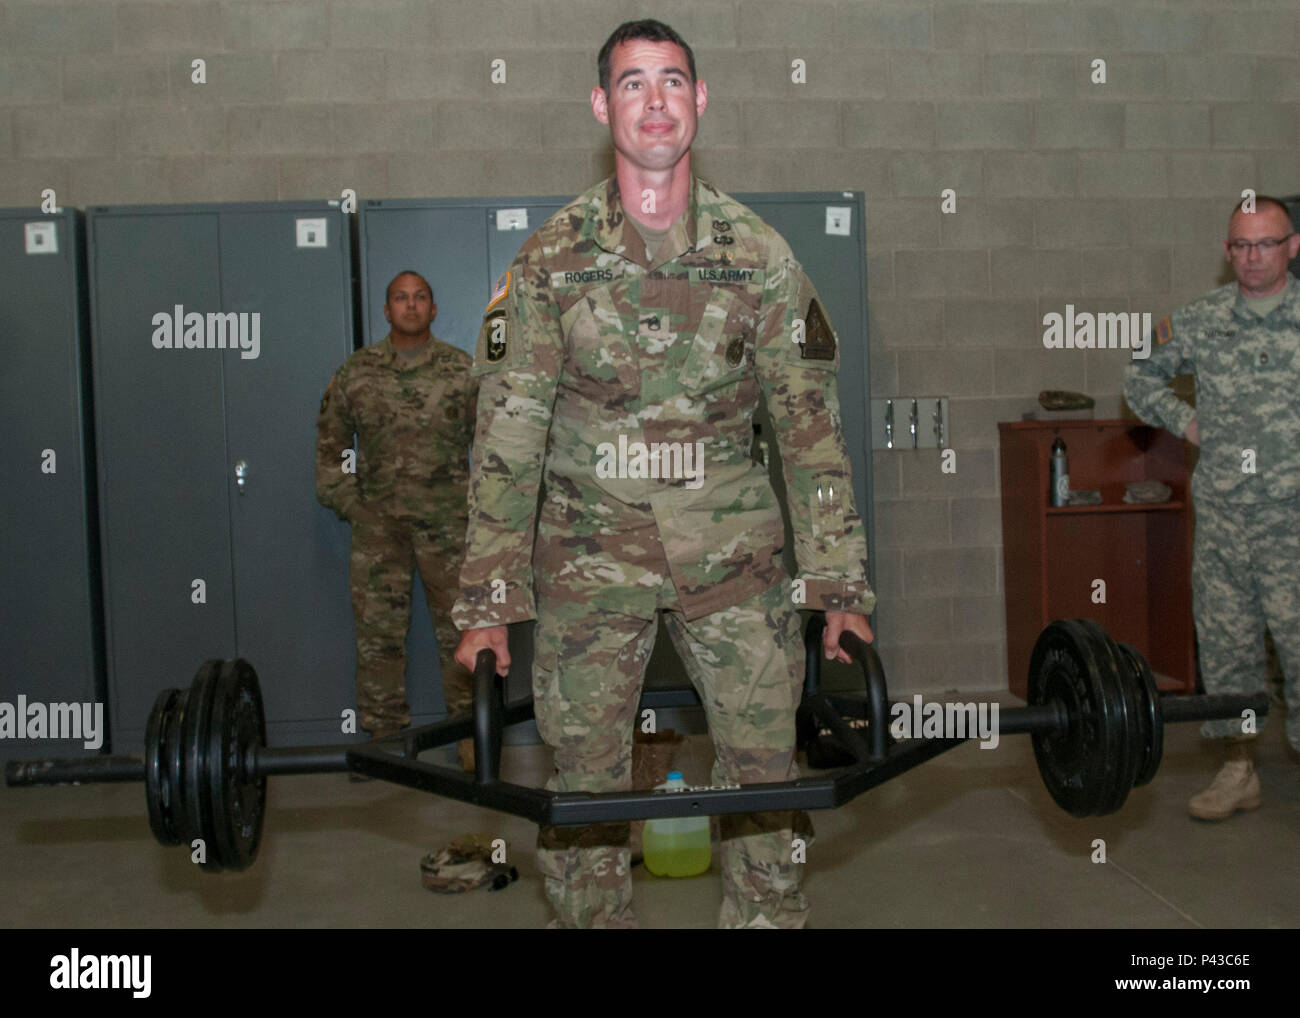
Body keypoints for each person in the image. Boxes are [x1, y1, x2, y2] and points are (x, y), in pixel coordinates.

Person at [451, 19, 875, 928]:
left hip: (735, 562)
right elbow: (508, 437)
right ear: (603, 105)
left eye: (673, 81)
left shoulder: (759, 255)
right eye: (633, 83)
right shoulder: (549, 261)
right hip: (587, 561)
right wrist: (488, 602)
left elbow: (809, 435)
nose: (655, 101)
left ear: (700, 101)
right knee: (584, 791)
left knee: (764, 776)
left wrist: (838, 583)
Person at [1123, 195, 1300, 820]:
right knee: (1227, 648)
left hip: (1295, 522)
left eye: (1267, 244)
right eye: (1241, 246)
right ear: (1228, 252)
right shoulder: (1200, 320)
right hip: (1225, 518)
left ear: (1293, 247)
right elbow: (1140, 375)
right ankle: (1237, 767)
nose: (1253, 257)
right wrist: (1186, 421)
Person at [317, 271, 479, 771]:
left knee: (462, 634)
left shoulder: (461, 370)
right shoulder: (356, 373)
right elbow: (334, 447)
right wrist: (349, 501)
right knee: (379, 636)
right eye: (400, 298)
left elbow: (494, 443)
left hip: (448, 526)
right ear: (386, 311)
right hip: (379, 529)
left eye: (420, 298)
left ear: (433, 309)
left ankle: (472, 736)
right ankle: (384, 740)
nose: (410, 306)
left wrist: (480, 505)